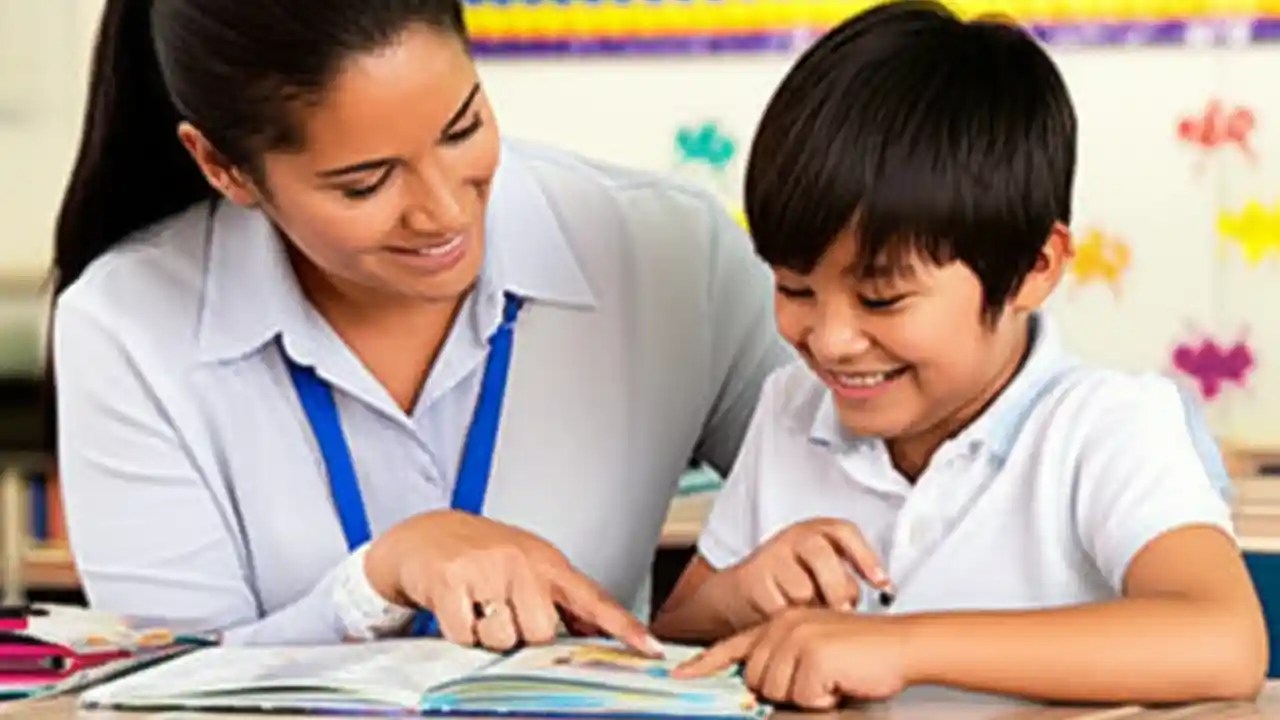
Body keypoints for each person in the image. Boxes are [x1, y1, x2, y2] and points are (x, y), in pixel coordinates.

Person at [49, 0, 789, 649]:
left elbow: (850, 474)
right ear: (222, 166)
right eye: (366, 183)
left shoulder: (669, 253)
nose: (444, 212)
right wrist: (372, 585)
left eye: (462, 129)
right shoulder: (125, 327)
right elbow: (163, 682)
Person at [653, 0, 1267, 708]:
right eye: (795, 288)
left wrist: (902, 646)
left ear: (1033, 268)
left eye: (882, 299)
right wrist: (741, 593)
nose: (830, 340)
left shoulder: (1106, 426)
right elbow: (676, 634)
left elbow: (1225, 642)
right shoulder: (792, 409)